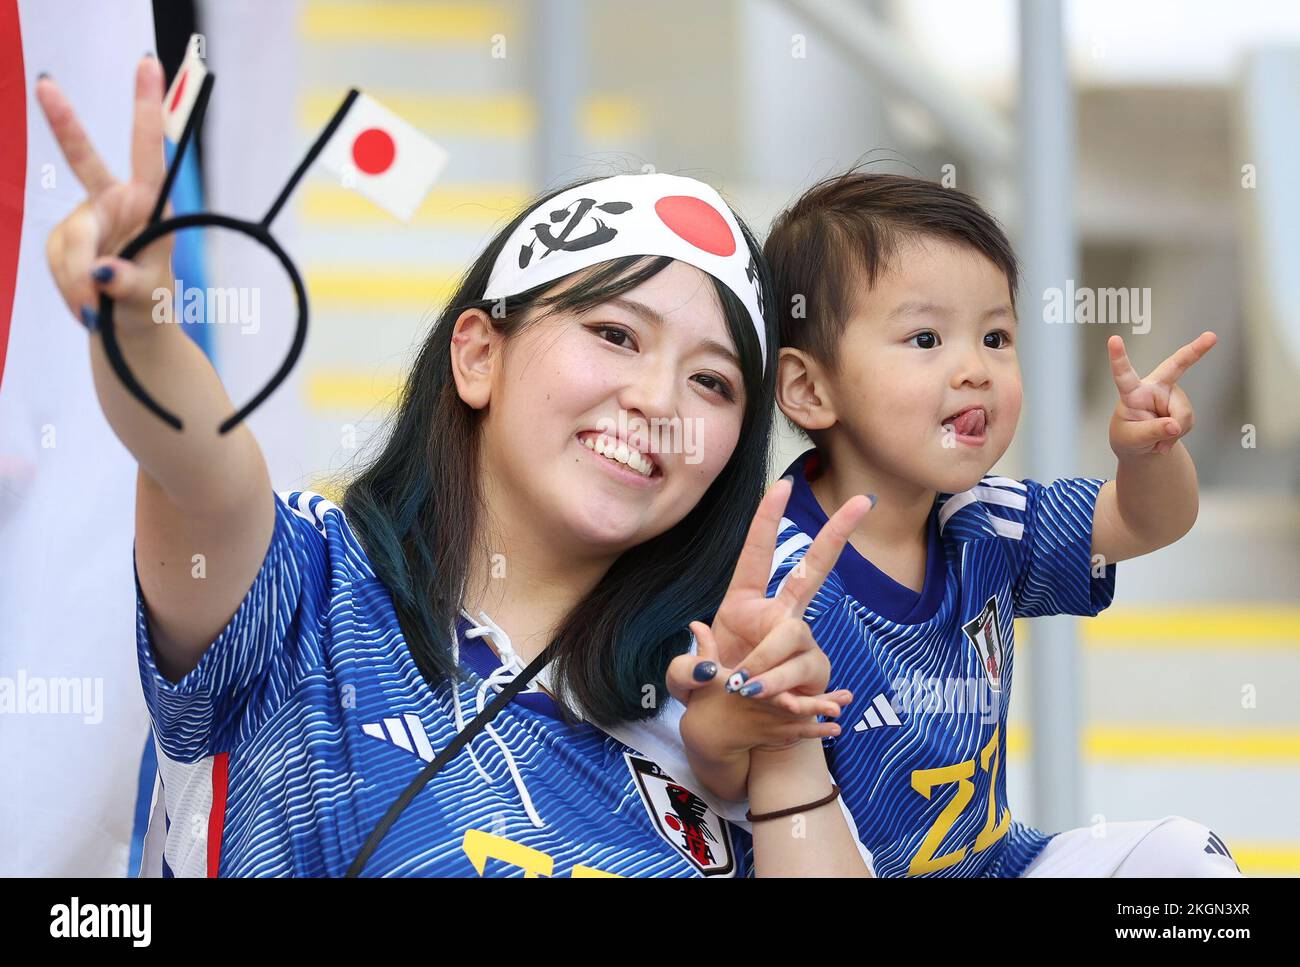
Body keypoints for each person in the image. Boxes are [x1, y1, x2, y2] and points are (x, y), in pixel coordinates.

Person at [36, 55, 871, 877]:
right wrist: (142, 328)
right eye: (615, 334)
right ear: (477, 356)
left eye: (711, 382)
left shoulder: (714, 721)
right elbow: (199, 469)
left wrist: (780, 746)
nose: (658, 399)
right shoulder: (302, 588)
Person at [721, 169, 1239, 877]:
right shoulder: (784, 578)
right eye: (927, 337)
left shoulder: (985, 519)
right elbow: (722, 758)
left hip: (1002, 862)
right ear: (810, 388)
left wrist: (1148, 455)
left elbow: (1144, 520)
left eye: (996, 336)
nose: (975, 368)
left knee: (1185, 858)